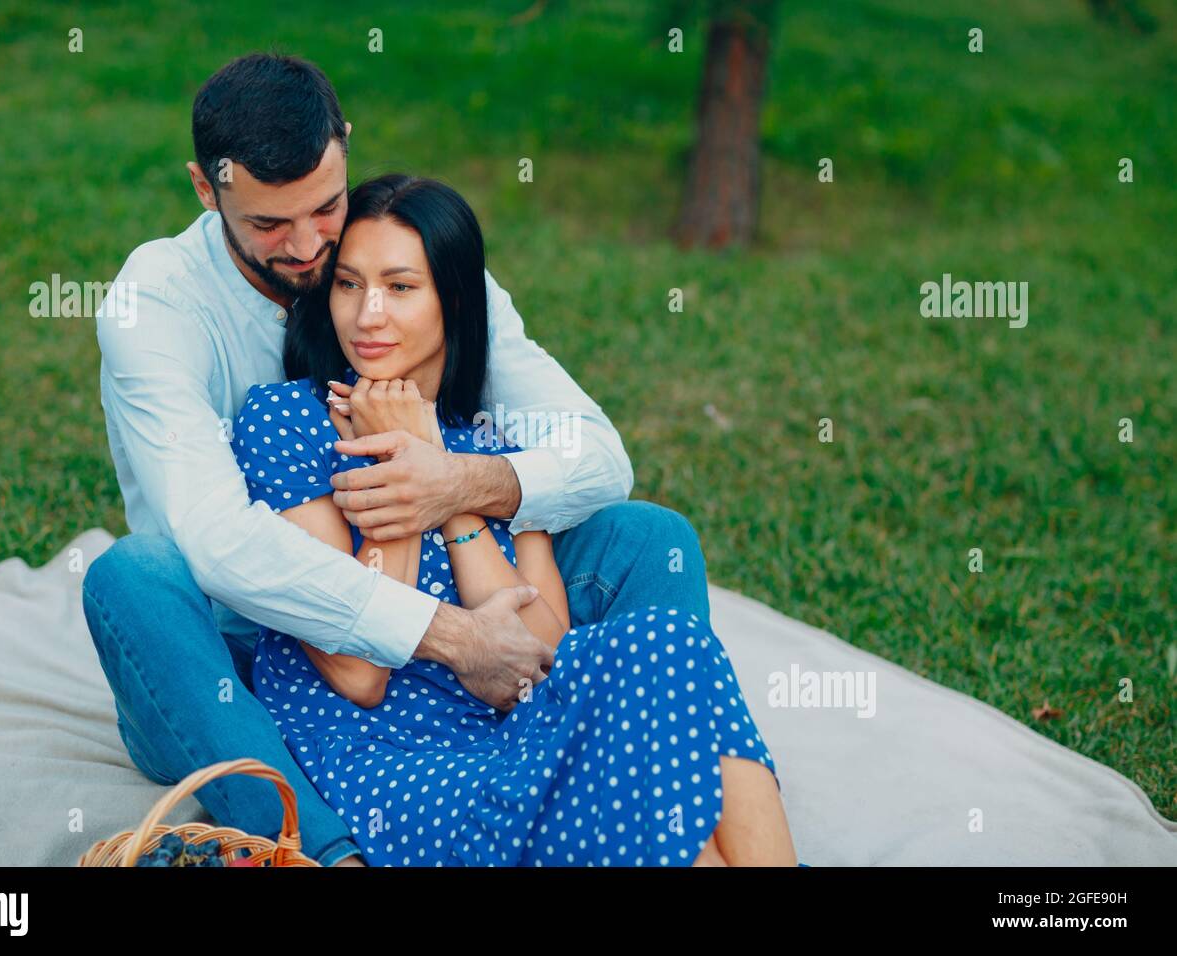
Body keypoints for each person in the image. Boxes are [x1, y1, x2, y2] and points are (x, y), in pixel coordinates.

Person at [82, 52, 731, 866]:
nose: (309, 248)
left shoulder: (386, 259)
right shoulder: (158, 304)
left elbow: (597, 452)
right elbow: (216, 541)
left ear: (345, 149)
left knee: (643, 535)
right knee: (133, 575)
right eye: (268, 225)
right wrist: (450, 635)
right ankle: (316, 849)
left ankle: (675, 797)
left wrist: (455, 482)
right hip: (231, 651)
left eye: (324, 207)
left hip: (424, 613)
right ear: (206, 190)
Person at [235, 173, 797, 866]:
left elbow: (540, 658)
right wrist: (402, 472)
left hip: (505, 739)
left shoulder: (491, 447)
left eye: (401, 287)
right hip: (385, 766)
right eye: (349, 284)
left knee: (668, 644)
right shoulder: (286, 419)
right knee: (652, 806)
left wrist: (444, 477)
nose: (368, 314)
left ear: (456, 300)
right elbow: (358, 669)